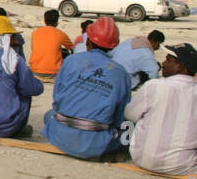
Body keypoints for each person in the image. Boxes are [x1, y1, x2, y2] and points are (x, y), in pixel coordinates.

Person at [43, 15, 133, 159]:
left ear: (88, 41)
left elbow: (57, 99)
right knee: (129, 127)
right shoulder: (121, 73)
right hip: (96, 143)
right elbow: (121, 115)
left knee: (49, 115)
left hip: (62, 136)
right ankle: (120, 152)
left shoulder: (71, 60)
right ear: (114, 46)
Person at [123, 42, 197, 175]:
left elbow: (129, 115)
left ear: (180, 66)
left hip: (144, 160)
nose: (163, 63)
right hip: (185, 167)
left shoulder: (153, 86)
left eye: (168, 60)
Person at [29, 8, 73, 79]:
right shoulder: (61, 34)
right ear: (57, 21)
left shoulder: (35, 32)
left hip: (35, 70)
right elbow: (72, 48)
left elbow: (33, 49)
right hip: (54, 72)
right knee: (65, 52)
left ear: (44, 21)